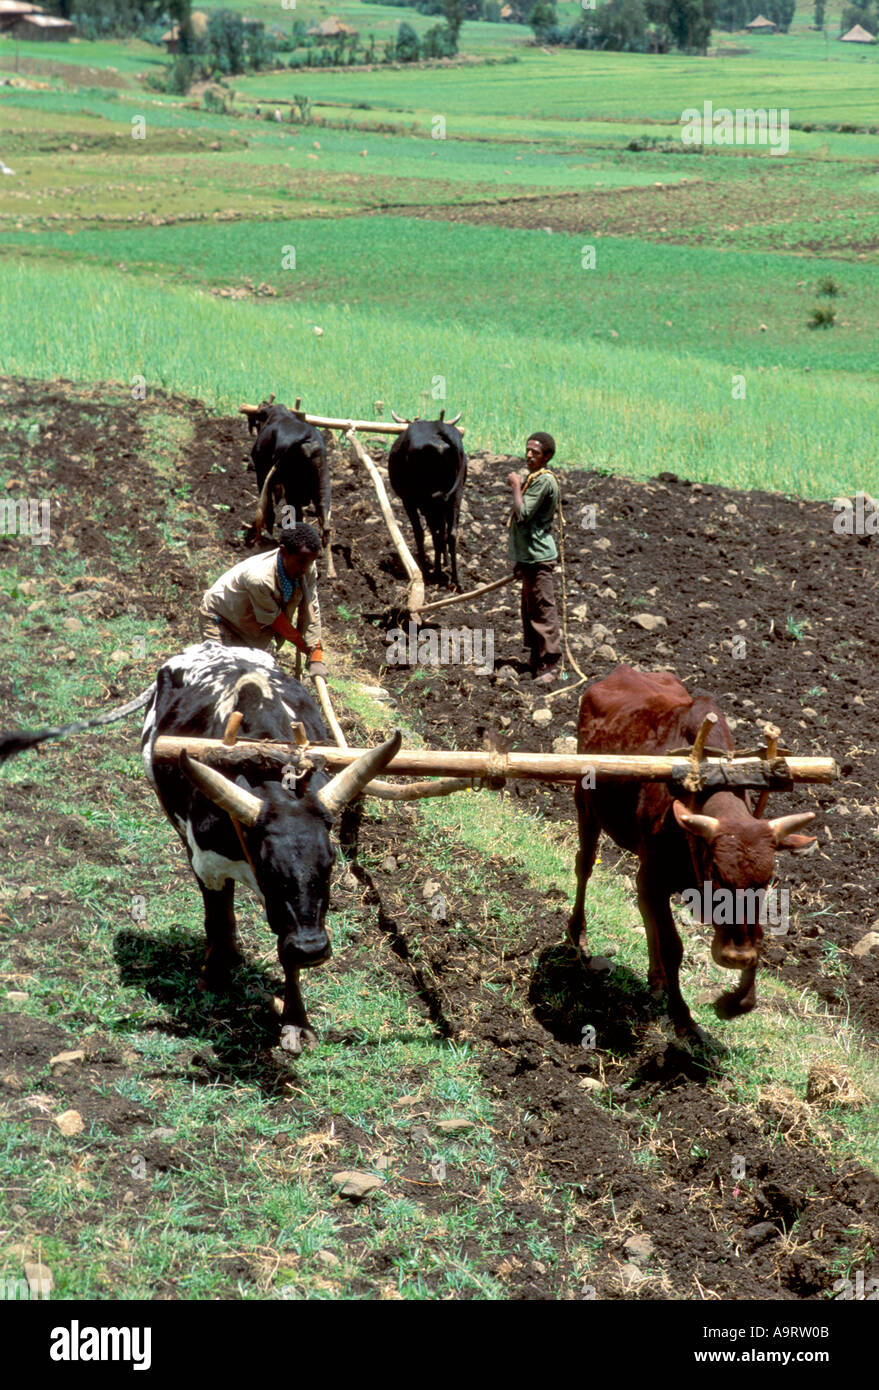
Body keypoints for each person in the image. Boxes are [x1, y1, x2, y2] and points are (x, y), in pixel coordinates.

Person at [198, 523, 328, 678]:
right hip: (221, 619)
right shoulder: (259, 578)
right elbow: (275, 620)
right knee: (222, 676)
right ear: (283, 551)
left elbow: (311, 607)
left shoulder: (306, 566)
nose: (305, 569)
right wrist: (306, 649)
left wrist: (316, 653)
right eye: (301, 561)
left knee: (250, 681)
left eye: (310, 562)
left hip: (250, 627)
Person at [506, 432, 561, 687]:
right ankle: (534, 661)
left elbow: (523, 514)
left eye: (535, 453)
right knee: (529, 611)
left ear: (547, 457)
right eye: (528, 450)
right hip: (529, 557)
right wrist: (519, 560)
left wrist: (516, 485)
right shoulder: (534, 478)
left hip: (539, 558)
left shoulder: (544, 481)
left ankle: (551, 665)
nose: (529, 455)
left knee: (543, 610)